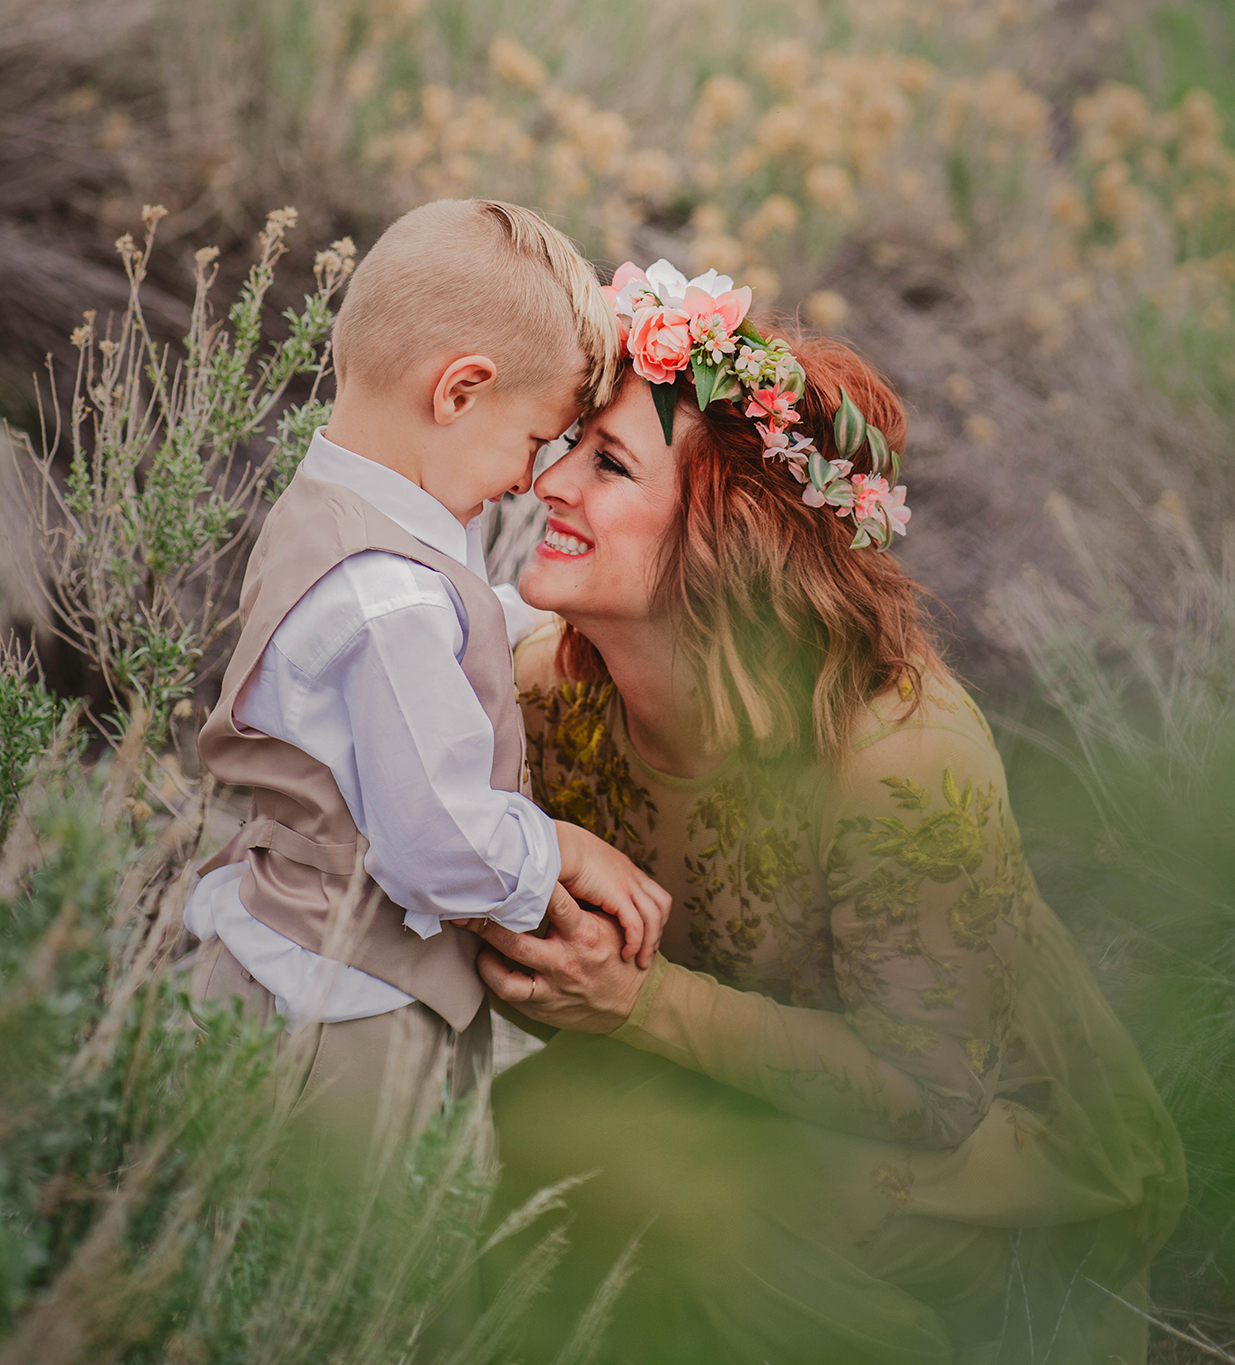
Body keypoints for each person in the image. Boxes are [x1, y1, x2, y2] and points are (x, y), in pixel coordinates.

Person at [470, 258, 1186, 1365]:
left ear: (727, 539)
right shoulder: (548, 701)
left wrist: (637, 1001)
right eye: (570, 443)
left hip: (986, 1157)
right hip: (716, 1086)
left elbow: (935, 1096)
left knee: (717, 1228)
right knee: (544, 1141)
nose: (548, 480)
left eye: (606, 462)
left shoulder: (899, 763)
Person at [184, 203, 670, 1165]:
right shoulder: (389, 601)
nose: (530, 480)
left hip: (300, 963)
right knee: (334, 1241)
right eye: (534, 439)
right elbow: (438, 849)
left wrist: (541, 618)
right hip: (342, 1018)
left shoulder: (342, 509)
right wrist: (564, 851)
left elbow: (440, 632)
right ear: (459, 392)